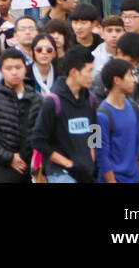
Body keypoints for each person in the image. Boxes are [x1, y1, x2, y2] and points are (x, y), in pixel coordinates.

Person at [30, 46, 98, 182]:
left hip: (86, 173)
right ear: (74, 72)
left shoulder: (90, 99)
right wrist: (69, 164)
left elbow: (95, 131)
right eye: (89, 71)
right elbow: (38, 141)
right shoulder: (53, 102)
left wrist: (91, 159)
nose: (92, 76)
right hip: (60, 174)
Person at [0, 47, 38, 184]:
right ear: (1, 71)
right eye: (9, 68)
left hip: (32, 166)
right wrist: (8, 157)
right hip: (2, 167)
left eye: (18, 67)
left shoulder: (37, 99)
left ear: (25, 69)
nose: (14, 72)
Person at [95, 58, 139, 183]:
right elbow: (101, 156)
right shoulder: (100, 115)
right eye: (129, 75)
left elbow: (138, 142)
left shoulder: (134, 107)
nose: (133, 80)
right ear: (117, 80)